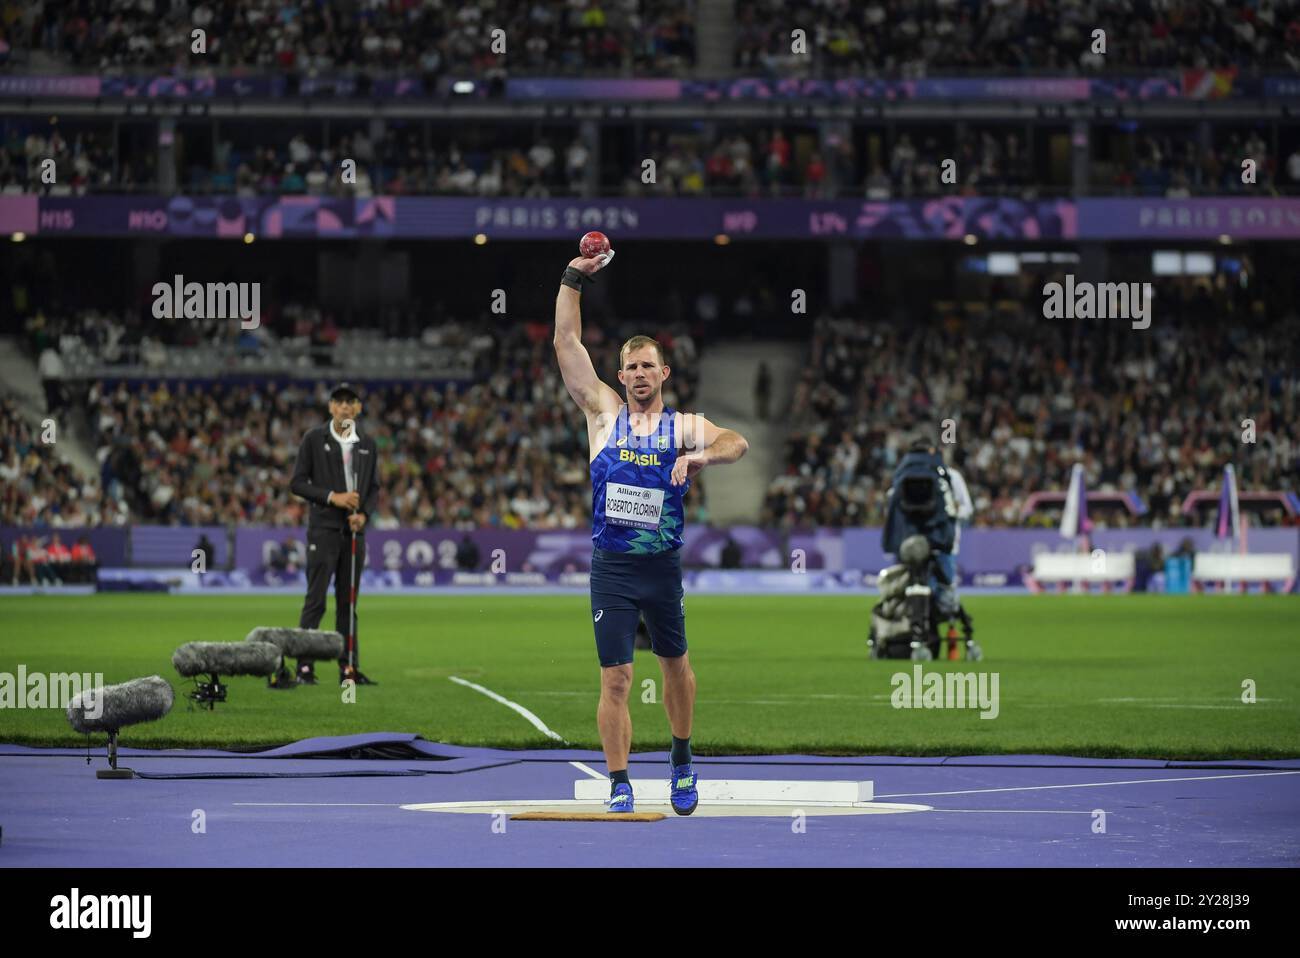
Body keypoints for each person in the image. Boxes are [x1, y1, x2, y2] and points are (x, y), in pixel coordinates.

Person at [553, 245, 750, 815]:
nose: (639, 375)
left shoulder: (683, 426)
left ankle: (682, 760)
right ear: (619, 376)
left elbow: (736, 443)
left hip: (661, 568)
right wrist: (574, 277)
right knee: (614, 679)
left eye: (648, 366)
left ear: (664, 373)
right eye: (630, 367)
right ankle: (619, 782)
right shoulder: (603, 416)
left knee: (676, 666)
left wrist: (700, 459)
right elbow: (567, 344)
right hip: (611, 567)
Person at [290, 383, 381, 686]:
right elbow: (298, 483)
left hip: (354, 534)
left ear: (357, 408)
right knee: (316, 600)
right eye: (338, 402)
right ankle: (304, 666)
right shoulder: (314, 439)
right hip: (324, 529)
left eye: (350, 402)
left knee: (348, 603)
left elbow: (373, 488)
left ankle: (349, 669)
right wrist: (334, 497)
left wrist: (364, 513)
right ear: (330, 407)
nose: (344, 407)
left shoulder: (367, 444)